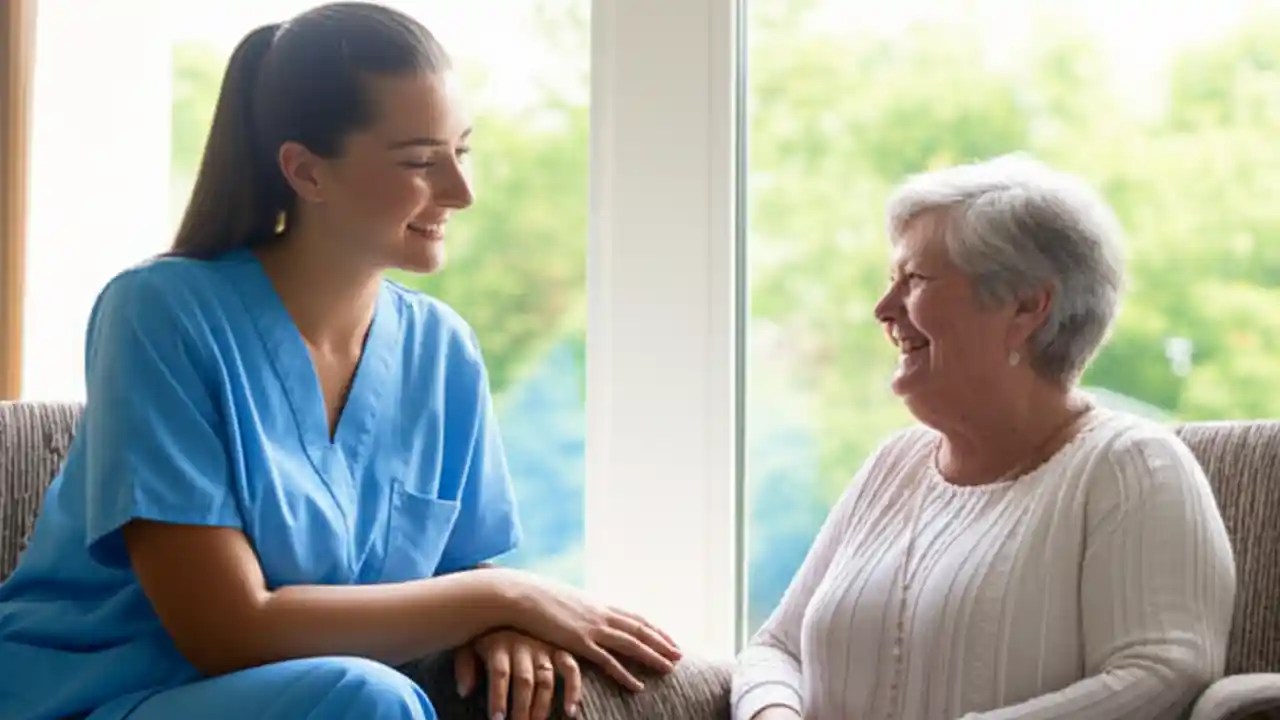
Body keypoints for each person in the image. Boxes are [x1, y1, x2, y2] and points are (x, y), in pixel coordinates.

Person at [0, 4, 680, 720]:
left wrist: (500, 624)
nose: (461, 191)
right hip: (89, 701)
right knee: (367, 698)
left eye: (463, 151)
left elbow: (453, 572)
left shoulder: (443, 353)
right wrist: (506, 597)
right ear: (305, 171)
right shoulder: (160, 313)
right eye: (420, 161)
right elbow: (228, 629)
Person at [732, 154, 1236, 720]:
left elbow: (1163, 674)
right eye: (890, 280)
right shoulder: (894, 464)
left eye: (915, 279)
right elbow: (776, 649)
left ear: (1026, 305)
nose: (884, 308)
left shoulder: (1133, 467)